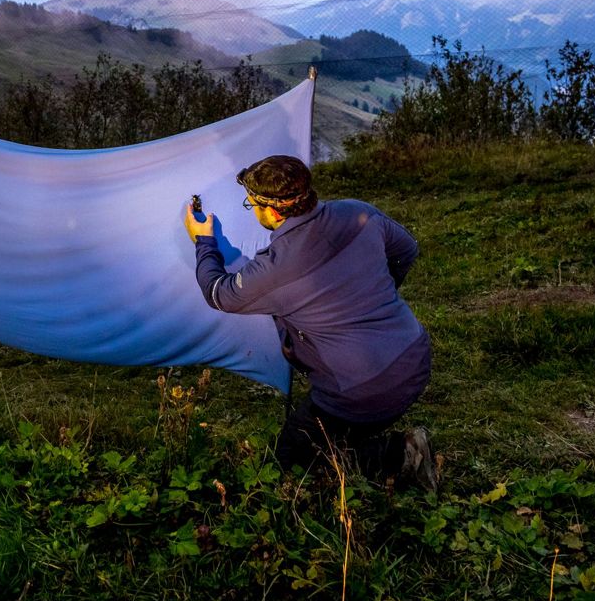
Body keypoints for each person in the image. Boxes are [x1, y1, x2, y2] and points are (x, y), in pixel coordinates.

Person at [183, 154, 437, 490]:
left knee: (290, 462)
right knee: (326, 433)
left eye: (251, 204)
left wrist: (203, 241)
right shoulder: (358, 212)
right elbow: (406, 250)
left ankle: (401, 454)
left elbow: (219, 294)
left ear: (271, 211)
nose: (252, 210)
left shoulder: (277, 266)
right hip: (416, 358)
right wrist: (373, 291)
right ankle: (364, 438)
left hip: (361, 390)